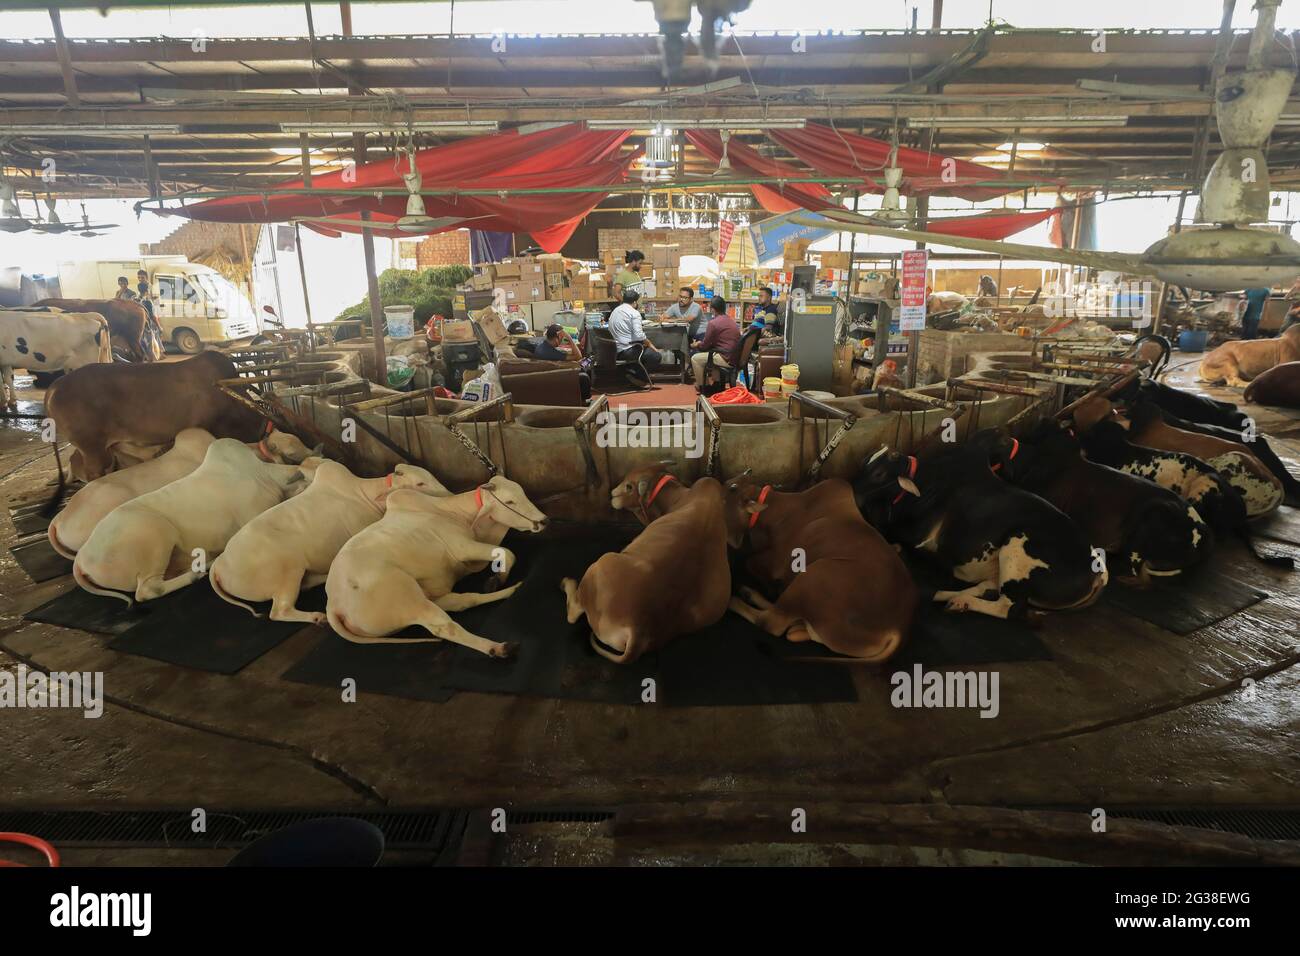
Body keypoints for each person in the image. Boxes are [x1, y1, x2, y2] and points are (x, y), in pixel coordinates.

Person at [608, 288, 660, 388]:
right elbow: (639, 335)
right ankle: (639, 378)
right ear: (635, 302)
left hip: (614, 349)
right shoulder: (634, 313)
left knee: (643, 349)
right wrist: (650, 344)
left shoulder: (615, 310)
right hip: (626, 350)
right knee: (656, 356)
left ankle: (632, 374)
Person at [691, 295, 741, 389]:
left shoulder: (713, 323)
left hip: (725, 357)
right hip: (734, 356)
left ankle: (703, 385)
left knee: (695, 358)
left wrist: (696, 344)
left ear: (713, 309)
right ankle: (717, 383)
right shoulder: (731, 320)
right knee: (711, 355)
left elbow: (704, 346)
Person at [534, 323, 592, 401]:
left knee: (584, 362)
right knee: (586, 364)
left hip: (554, 370)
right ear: (557, 337)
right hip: (558, 375)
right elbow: (578, 356)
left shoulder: (542, 346)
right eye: (562, 337)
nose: (562, 339)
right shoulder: (549, 352)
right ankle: (584, 400)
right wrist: (569, 338)